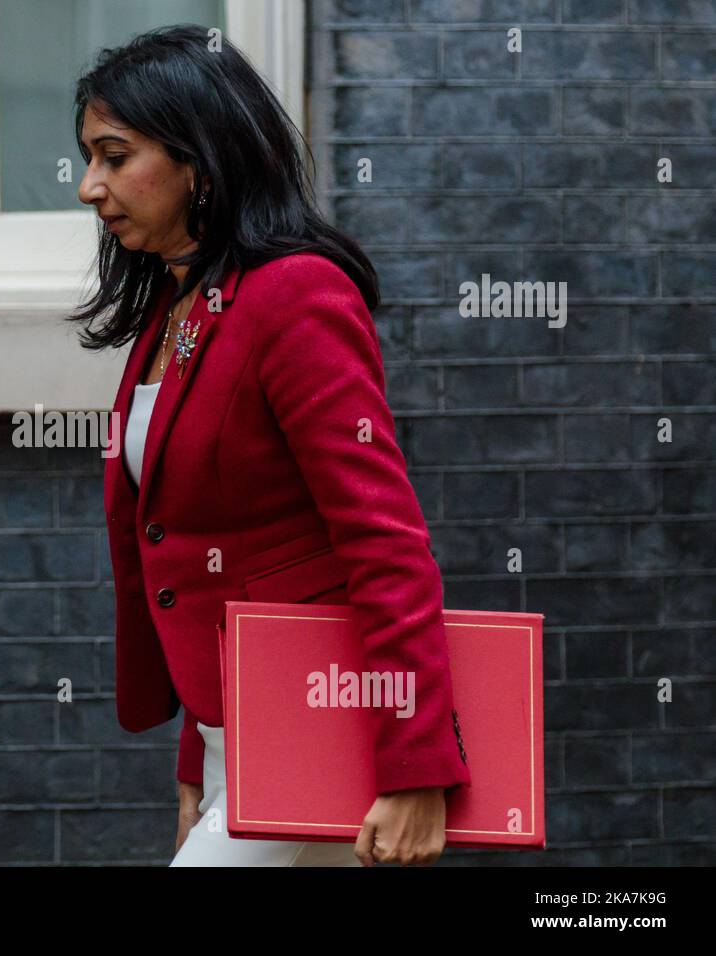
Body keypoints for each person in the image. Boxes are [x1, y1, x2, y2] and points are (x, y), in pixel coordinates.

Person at [69, 24, 471, 866]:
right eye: (89, 158)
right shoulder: (176, 311)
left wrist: (418, 765)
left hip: (318, 724)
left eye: (114, 156)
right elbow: (199, 552)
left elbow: (382, 538)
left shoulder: (296, 297)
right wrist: (196, 758)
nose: (87, 187)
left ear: (198, 162)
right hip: (234, 735)